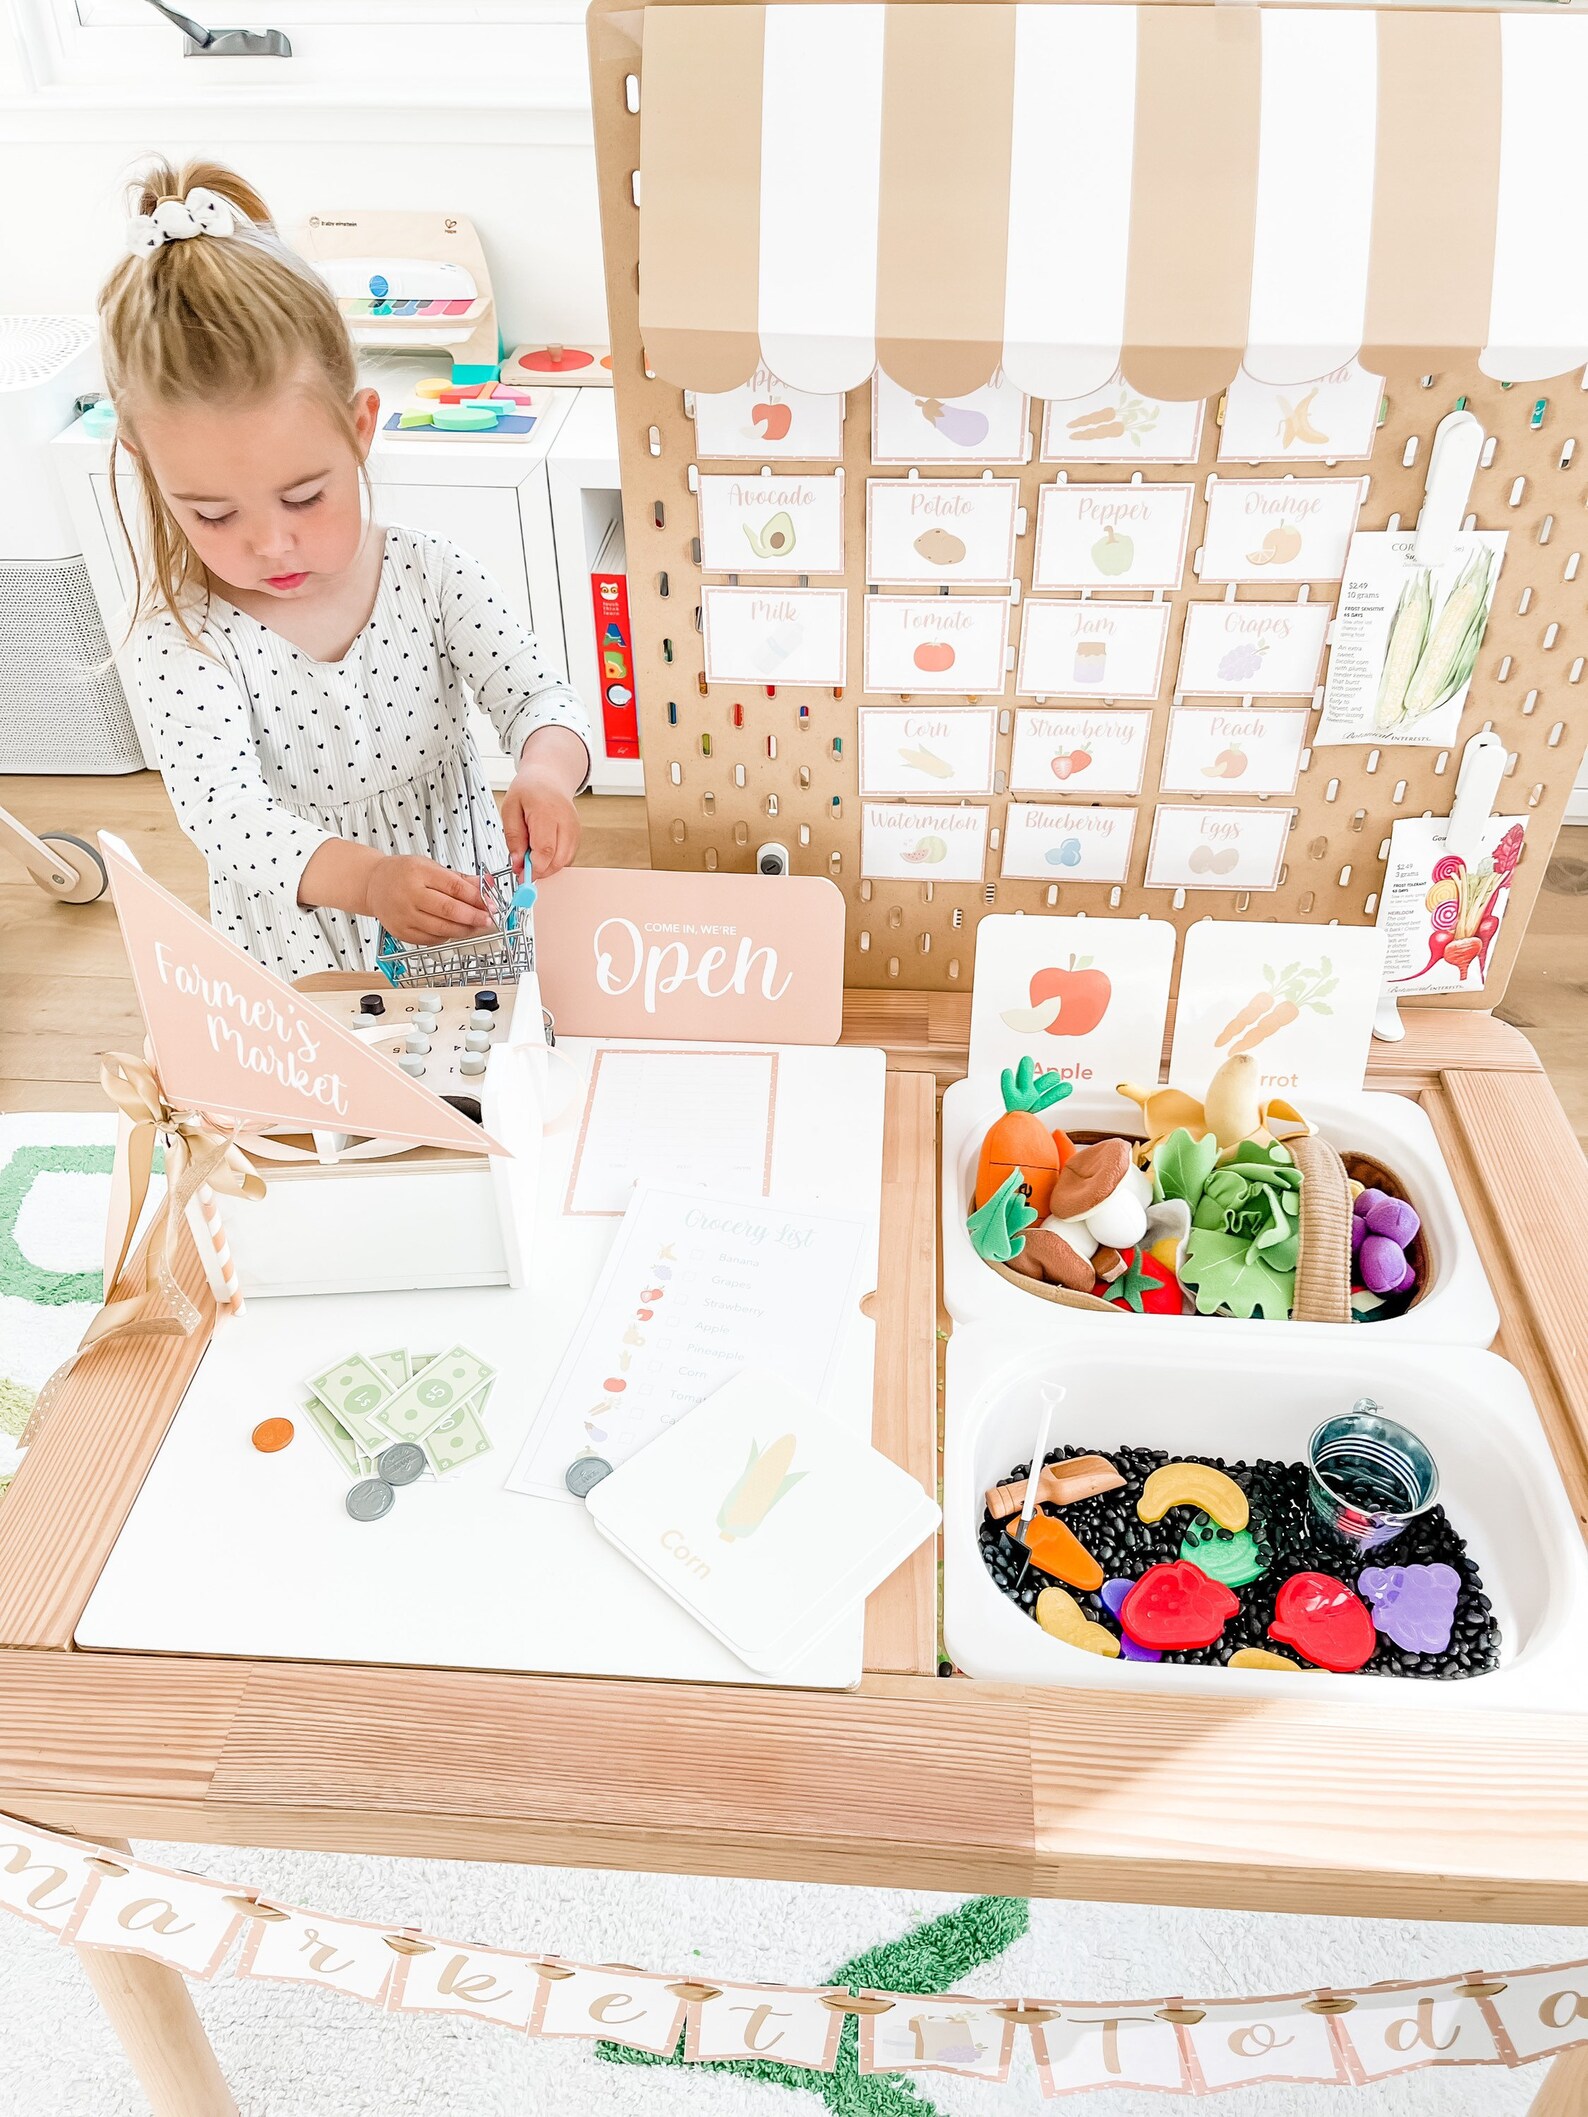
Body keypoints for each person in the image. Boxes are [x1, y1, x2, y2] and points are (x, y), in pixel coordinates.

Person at [98, 160, 592, 978]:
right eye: (214, 515)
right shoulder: (177, 639)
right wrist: (366, 880)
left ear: (361, 428)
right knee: (347, 1098)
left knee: (480, 1078)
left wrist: (544, 771)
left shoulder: (432, 576)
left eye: (304, 497)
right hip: (307, 943)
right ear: (146, 465)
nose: (271, 546)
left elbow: (542, 695)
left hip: (462, 911)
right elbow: (229, 817)